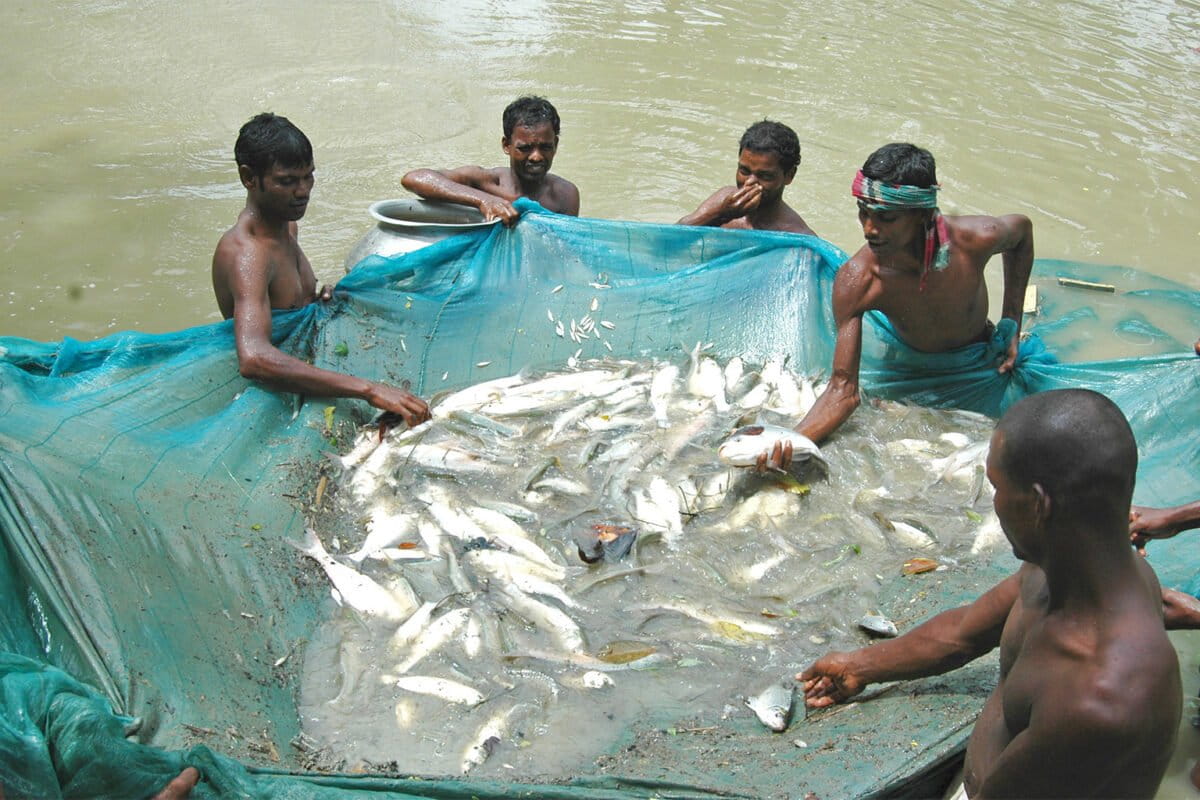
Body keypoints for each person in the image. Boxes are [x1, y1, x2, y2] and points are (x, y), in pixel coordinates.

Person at [799, 389, 1182, 799]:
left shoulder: (1100, 699)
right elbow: (963, 632)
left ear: (1038, 505)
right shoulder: (1058, 570)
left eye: (997, 487)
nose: (994, 503)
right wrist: (860, 666)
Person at [757, 143, 1033, 469]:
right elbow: (843, 391)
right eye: (864, 211)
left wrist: (1012, 323)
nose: (870, 228)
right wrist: (791, 439)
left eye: (886, 218)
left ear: (923, 215)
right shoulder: (860, 280)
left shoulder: (975, 240)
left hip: (982, 359)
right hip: (911, 371)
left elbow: (1022, 233)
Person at [212, 113, 430, 427]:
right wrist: (369, 390)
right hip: (272, 390)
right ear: (249, 178)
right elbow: (254, 357)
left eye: (308, 177)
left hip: (307, 358)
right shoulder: (248, 254)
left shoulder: (288, 226)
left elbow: (283, 306)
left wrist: (314, 299)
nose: (302, 191)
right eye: (287, 181)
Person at [401, 96, 579, 226]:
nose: (536, 156)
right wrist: (484, 200)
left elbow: (566, 253)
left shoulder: (565, 195)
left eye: (545, 147)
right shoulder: (484, 182)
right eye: (524, 148)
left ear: (555, 144)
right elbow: (414, 178)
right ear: (506, 145)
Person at [677, 119, 816, 236]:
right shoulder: (724, 200)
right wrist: (721, 214)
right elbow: (668, 240)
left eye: (765, 176)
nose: (749, 182)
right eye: (744, 171)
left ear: (789, 176)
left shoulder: (797, 236)